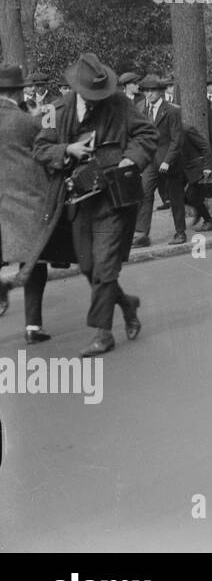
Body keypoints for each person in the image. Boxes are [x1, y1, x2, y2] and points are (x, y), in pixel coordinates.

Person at [34, 52, 156, 357]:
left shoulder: (120, 104)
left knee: (104, 265)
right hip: (76, 202)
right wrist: (68, 148)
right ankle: (127, 304)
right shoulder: (55, 110)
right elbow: (40, 148)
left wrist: (133, 158)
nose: (95, 100)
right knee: (89, 267)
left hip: (113, 200)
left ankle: (103, 334)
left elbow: (147, 134)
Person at [0, 65, 79, 340]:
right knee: (34, 260)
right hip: (27, 200)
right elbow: (46, 150)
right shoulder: (26, 122)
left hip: (2, 202)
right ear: (18, 91)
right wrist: (67, 150)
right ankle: (33, 326)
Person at [134, 74, 185, 246]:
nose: (149, 94)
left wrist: (168, 160)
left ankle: (180, 232)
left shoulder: (171, 111)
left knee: (175, 197)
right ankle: (142, 234)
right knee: (145, 194)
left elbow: (177, 139)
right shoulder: (143, 110)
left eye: (153, 91)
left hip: (169, 162)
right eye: (146, 91)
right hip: (150, 162)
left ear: (160, 92)